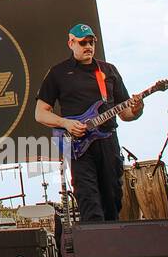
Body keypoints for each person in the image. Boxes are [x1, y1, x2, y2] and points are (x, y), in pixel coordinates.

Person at [34, 24, 146, 223]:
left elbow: (126, 114)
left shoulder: (108, 70)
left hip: (108, 142)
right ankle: (95, 250)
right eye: (82, 42)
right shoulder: (58, 73)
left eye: (91, 42)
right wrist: (66, 123)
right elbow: (40, 114)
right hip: (79, 147)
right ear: (71, 43)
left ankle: (113, 249)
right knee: (89, 200)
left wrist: (137, 110)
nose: (88, 46)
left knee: (112, 200)